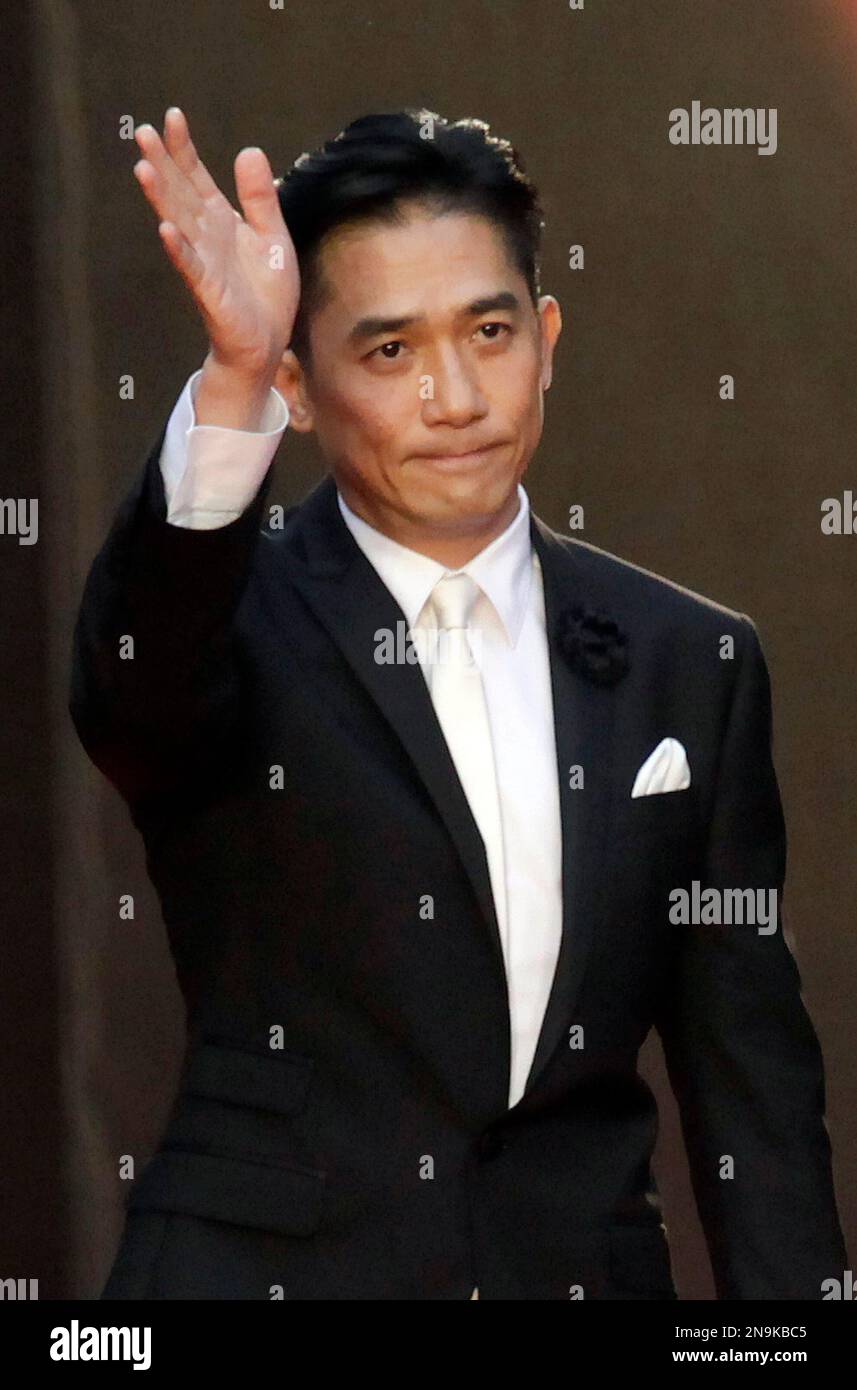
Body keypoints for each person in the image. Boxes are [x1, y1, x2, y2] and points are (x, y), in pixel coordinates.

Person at [69, 105, 847, 1299]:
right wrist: (229, 382)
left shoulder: (690, 661)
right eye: (388, 351)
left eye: (488, 331)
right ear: (301, 383)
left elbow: (752, 1099)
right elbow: (130, 697)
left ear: (544, 336)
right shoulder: (221, 617)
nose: (454, 395)